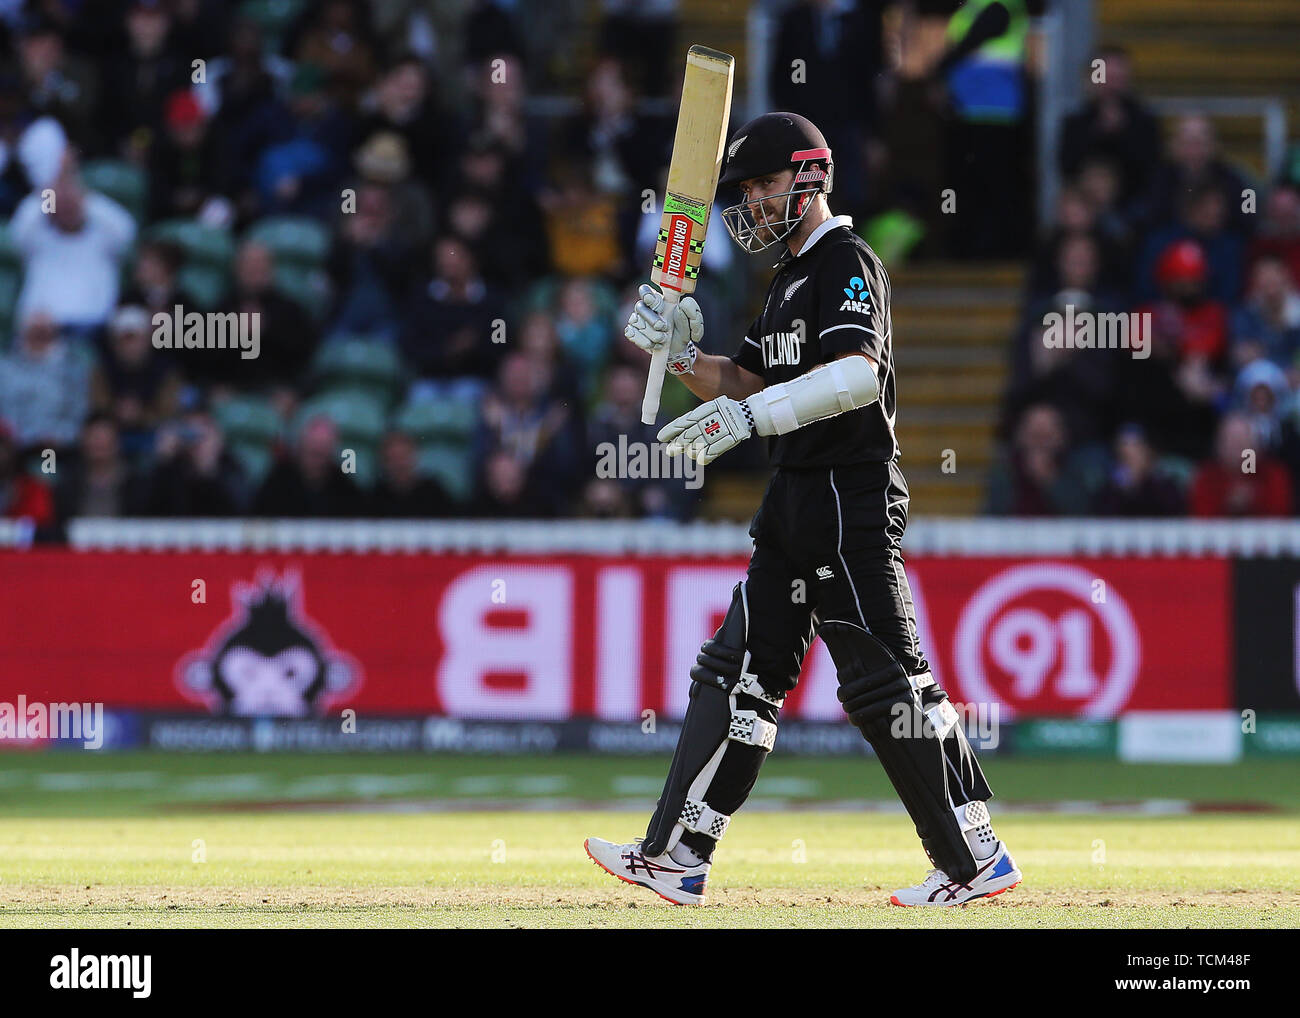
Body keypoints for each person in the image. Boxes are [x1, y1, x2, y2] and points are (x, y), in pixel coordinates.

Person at [585, 112, 1020, 907]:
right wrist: (682, 357)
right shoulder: (785, 279)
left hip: (847, 497)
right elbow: (745, 381)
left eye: (760, 184)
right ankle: (677, 853)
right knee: (740, 673)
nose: (748, 202)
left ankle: (972, 857)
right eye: (743, 190)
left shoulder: (845, 260)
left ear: (808, 177)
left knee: (888, 684)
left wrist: (749, 420)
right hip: (792, 498)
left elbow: (856, 376)